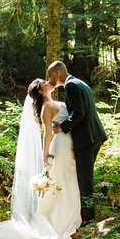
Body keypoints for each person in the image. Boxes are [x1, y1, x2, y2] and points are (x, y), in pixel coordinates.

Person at [0, 77, 81, 239]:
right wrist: (45, 155)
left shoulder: (58, 102)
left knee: (70, 180)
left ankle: (71, 219)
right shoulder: (46, 108)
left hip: (71, 144)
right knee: (61, 181)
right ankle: (59, 222)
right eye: (43, 82)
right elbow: (47, 134)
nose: (47, 81)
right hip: (59, 146)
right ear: (41, 90)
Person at [47, 60, 107, 226]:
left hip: (86, 139)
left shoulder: (71, 86)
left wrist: (62, 126)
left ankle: (88, 222)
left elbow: (79, 113)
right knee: (85, 178)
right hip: (94, 136)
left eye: (50, 76)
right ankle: (86, 218)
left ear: (57, 73)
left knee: (84, 180)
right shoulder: (80, 83)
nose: (50, 80)